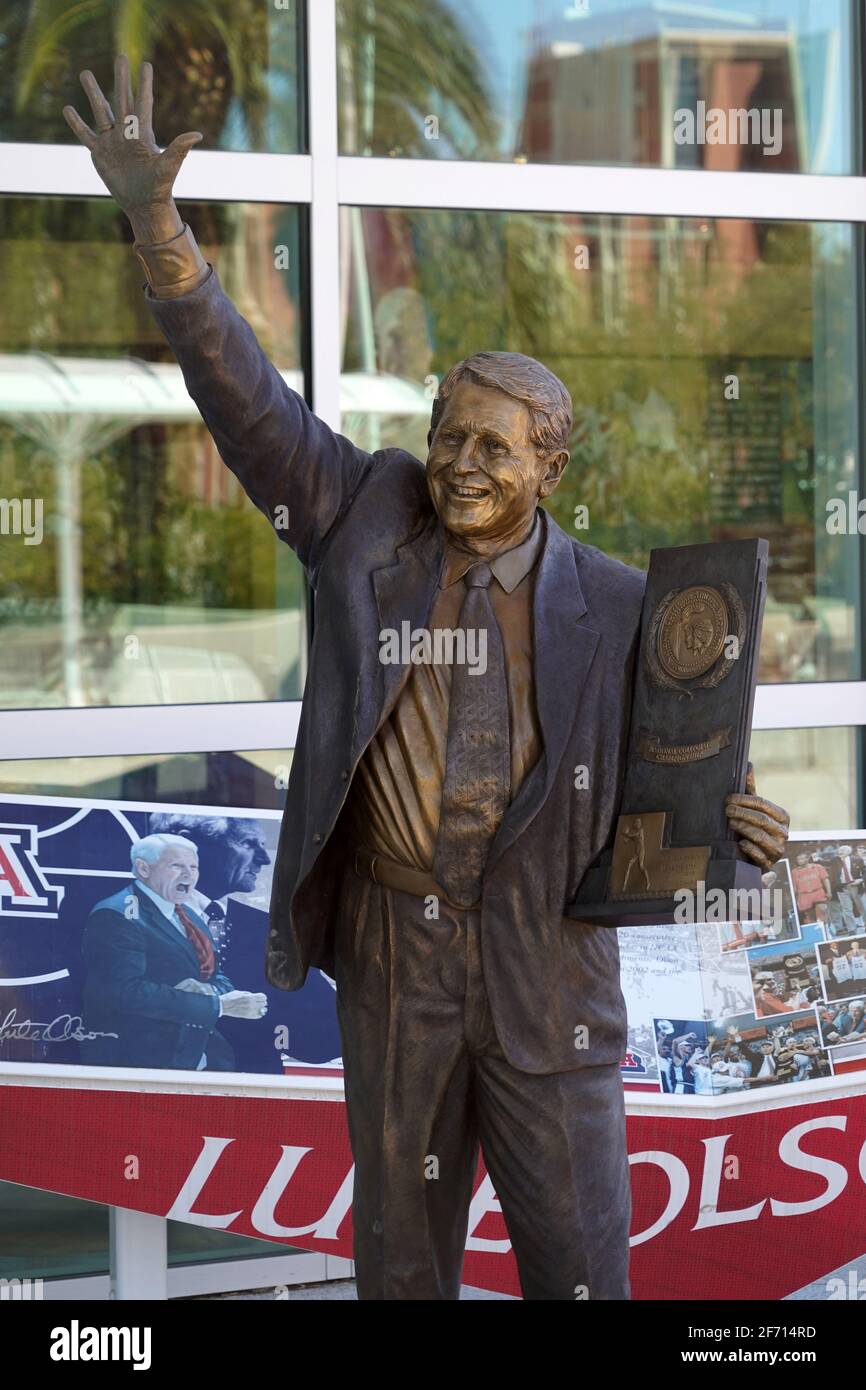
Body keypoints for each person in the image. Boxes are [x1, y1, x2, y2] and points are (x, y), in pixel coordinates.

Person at [62, 57, 791, 1300]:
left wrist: (740, 826)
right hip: (396, 966)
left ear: (547, 467)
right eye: (447, 433)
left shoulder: (625, 606)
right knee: (401, 1274)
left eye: (491, 450)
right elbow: (244, 399)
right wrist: (158, 229)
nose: (457, 463)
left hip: (547, 986)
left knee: (579, 1275)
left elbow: (673, 774)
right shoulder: (361, 514)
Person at [147, 813, 342, 1073]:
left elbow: (326, 1035)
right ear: (188, 846)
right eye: (248, 843)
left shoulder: (270, 929)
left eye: (262, 845)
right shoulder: (121, 917)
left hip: (252, 1100)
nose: (264, 858)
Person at [81, 834, 267, 1070]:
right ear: (143, 869)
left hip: (192, 1057)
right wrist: (218, 1005)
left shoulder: (190, 917)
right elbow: (124, 993)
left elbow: (217, 976)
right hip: (136, 1064)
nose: (189, 875)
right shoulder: (116, 914)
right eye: (177, 865)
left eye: (194, 867)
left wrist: (210, 990)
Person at [791, 850, 830, 926]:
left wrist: (829, 892)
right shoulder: (794, 872)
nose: (800, 861)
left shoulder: (817, 867)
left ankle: (826, 931)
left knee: (822, 912)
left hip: (818, 893)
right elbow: (794, 886)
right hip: (804, 896)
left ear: (807, 859)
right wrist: (795, 898)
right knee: (810, 917)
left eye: (802, 859)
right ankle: (816, 933)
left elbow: (825, 880)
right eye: (798, 859)